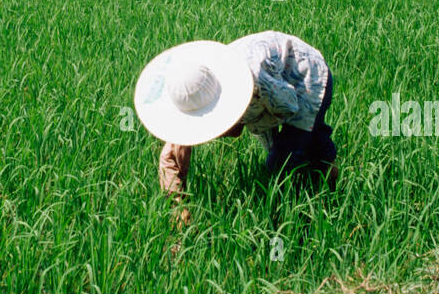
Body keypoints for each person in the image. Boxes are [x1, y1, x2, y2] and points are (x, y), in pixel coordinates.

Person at [134, 32, 338, 219]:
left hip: (307, 79)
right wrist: (178, 206)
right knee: (298, 150)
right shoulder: (192, 94)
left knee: (282, 161)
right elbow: (169, 159)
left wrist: (241, 121)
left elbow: (289, 105)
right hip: (269, 91)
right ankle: (325, 181)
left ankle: (300, 213)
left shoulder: (253, 79)